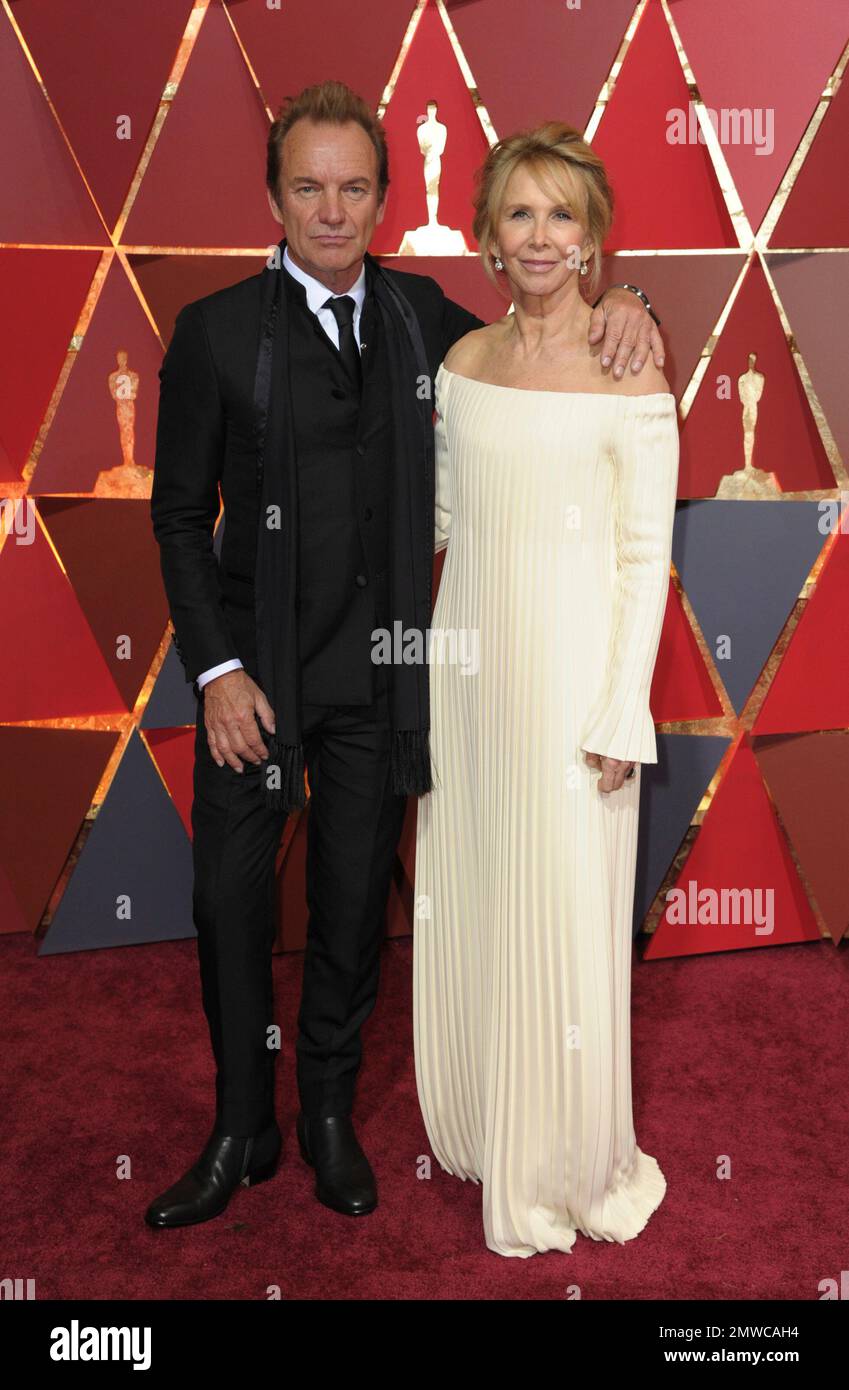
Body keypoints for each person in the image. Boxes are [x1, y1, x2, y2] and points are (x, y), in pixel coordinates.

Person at [146, 81, 664, 1229]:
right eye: (307, 187)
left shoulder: (433, 322)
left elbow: (553, 324)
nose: (332, 210)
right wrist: (218, 671)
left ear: (384, 197)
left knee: (348, 912)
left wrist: (632, 296)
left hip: (387, 686)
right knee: (229, 906)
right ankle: (242, 1126)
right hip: (254, 683)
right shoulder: (215, 332)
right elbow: (179, 516)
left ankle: (328, 1117)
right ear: (274, 196)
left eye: (354, 187)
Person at [413, 122, 678, 1257]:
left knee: (565, 916)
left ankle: (565, 1159)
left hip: (577, 693)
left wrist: (625, 705)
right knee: (474, 895)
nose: (539, 234)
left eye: (561, 213)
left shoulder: (633, 370)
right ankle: (481, 1123)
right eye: (519, 212)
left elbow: (641, 557)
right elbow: (438, 524)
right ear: (485, 231)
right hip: (469, 686)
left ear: (593, 236)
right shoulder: (462, 367)